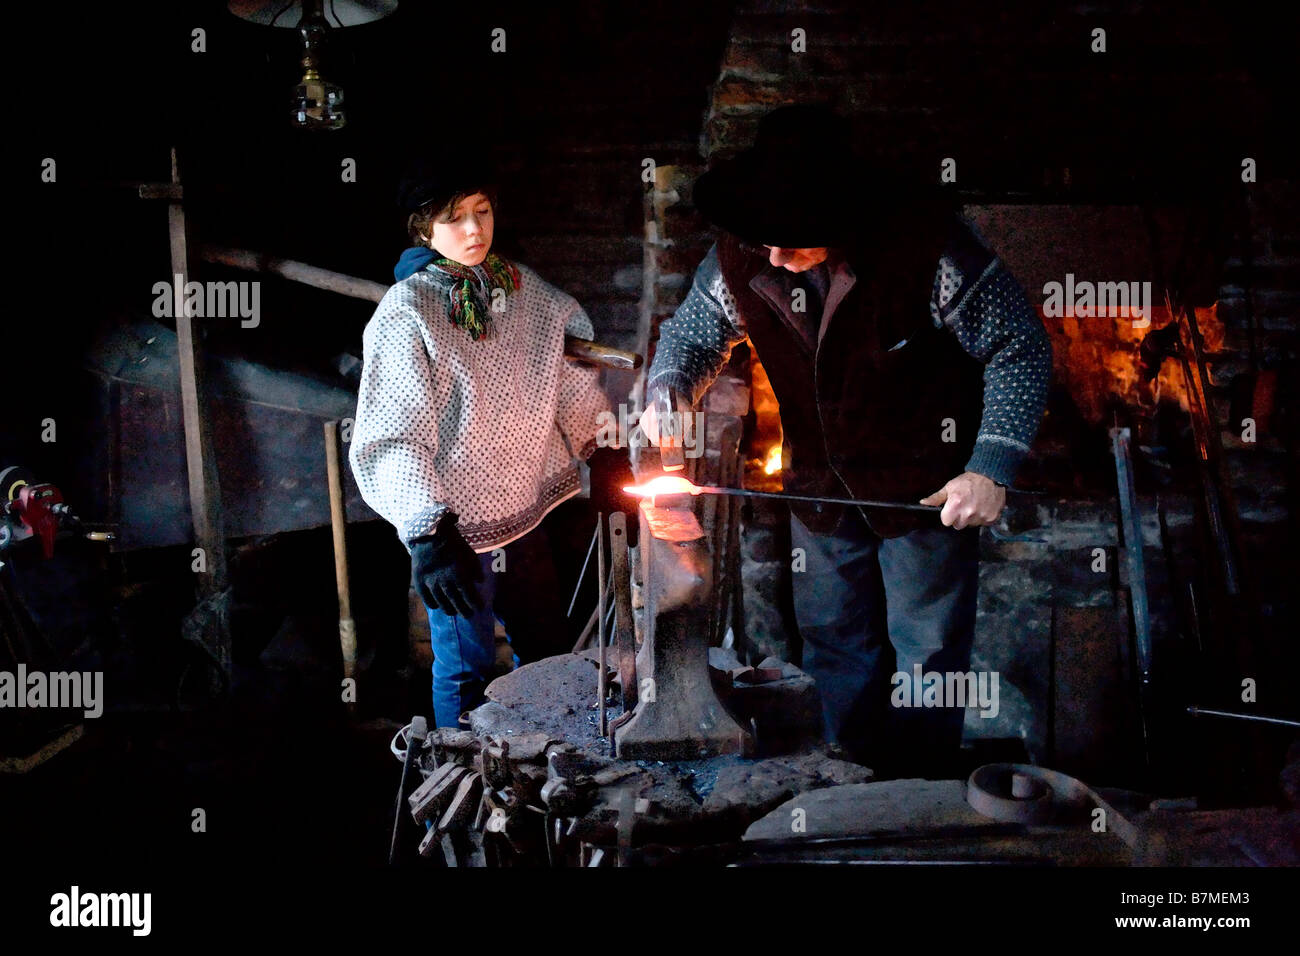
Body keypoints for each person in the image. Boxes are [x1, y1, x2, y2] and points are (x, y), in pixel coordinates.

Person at [642, 106, 1052, 775]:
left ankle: (917, 795)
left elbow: (1021, 348)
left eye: (793, 237)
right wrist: (670, 382)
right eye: (764, 236)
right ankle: (845, 780)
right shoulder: (742, 256)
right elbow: (692, 335)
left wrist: (991, 467)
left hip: (923, 488)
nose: (772, 254)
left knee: (927, 647)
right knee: (835, 641)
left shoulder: (929, 252)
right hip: (822, 491)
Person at [349, 157, 612, 728]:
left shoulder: (520, 290)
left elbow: (567, 368)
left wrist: (604, 445)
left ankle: (545, 768)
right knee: (467, 669)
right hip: (456, 534)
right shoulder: (408, 311)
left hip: (527, 513)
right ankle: (457, 791)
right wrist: (427, 532)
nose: (474, 230)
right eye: (455, 219)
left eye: (482, 212)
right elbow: (395, 432)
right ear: (423, 229)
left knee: (546, 654)